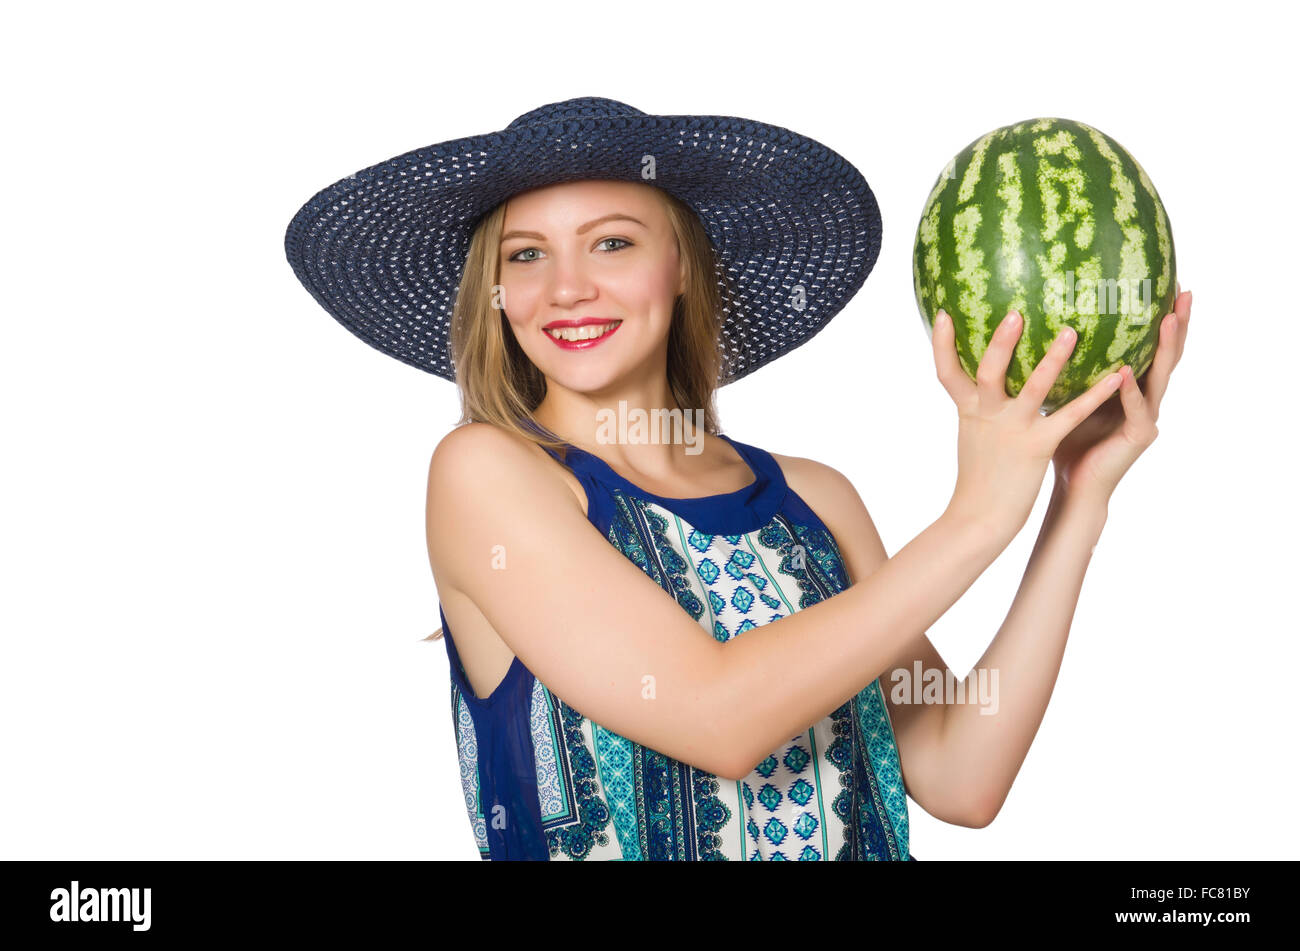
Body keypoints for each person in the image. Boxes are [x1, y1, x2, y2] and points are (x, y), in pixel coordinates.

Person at [285, 97, 1191, 861]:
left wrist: (1074, 499)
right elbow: (718, 716)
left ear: (680, 265)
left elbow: (961, 774)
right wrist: (976, 518)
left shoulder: (817, 500)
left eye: (610, 243)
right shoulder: (487, 474)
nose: (565, 287)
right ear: (495, 291)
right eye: (525, 255)